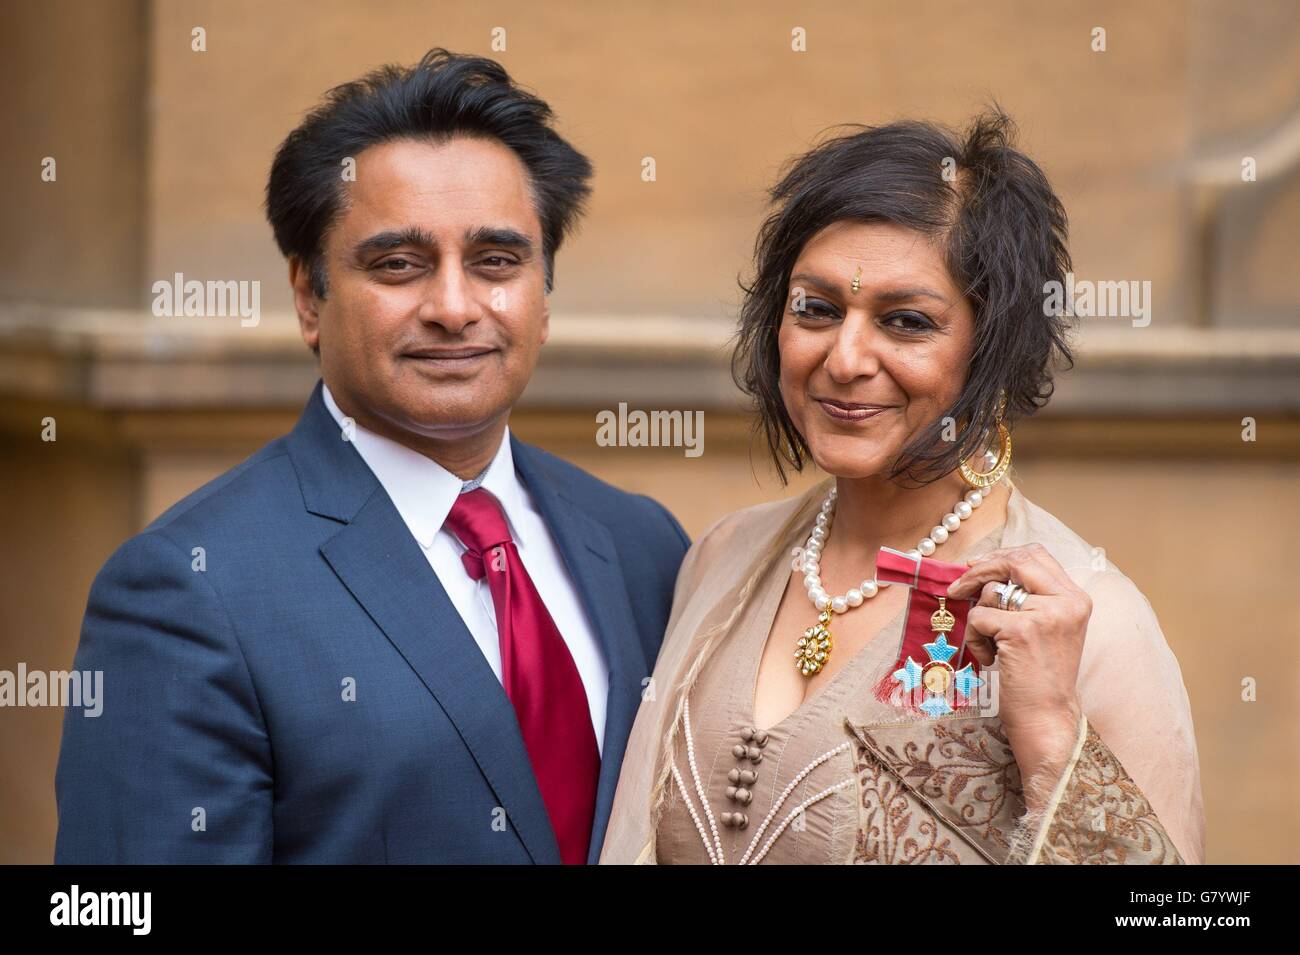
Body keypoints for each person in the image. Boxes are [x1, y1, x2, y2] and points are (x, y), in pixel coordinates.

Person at [54, 49, 689, 864]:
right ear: (308, 296)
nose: (455, 307)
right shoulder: (188, 591)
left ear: (544, 292)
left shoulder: (642, 546)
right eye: (398, 264)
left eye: (497, 261)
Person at [601, 110, 1205, 865]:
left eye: (907, 321)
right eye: (816, 309)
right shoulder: (727, 559)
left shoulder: (1086, 623)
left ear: (995, 345)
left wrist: (1052, 737)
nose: (846, 358)